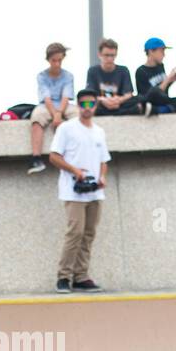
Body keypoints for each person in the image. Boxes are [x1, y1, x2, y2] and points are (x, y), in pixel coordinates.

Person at [49, 89, 110, 295]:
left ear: (95, 105)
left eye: (91, 104)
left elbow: (104, 160)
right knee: (74, 233)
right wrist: (75, 171)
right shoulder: (67, 128)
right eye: (83, 104)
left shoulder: (99, 131)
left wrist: (102, 177)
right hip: (73, 192)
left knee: (89, 234)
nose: (87, 108)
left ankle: (81, 276)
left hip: (95, 193)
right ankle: (63, 277)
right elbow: (54, 157)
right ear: (78, 106)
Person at [27, 42, 75, 175]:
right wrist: (55, 115)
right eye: (54, 60)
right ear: (48, 60)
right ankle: (36, 158)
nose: (57, 64)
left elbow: (66, 96)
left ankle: (76, 153)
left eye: (60, 60)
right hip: (47, 105)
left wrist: (59, 114)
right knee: (37, 117)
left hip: (64, 105)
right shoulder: (42, 76)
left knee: (78, 116)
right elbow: (46, 98)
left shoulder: (68, 76)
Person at [86, 39, 149, 117]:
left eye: (112, 55)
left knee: (139, 98)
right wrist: (103, 100)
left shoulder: (123, 70)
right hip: (102, 104)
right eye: (106, 55)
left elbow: (129, 94)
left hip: (120, 104)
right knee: (87, 101)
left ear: (116, 54)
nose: (109, 59)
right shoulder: (93, 71)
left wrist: (118, 100)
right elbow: (90, 94)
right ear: (100, 54)